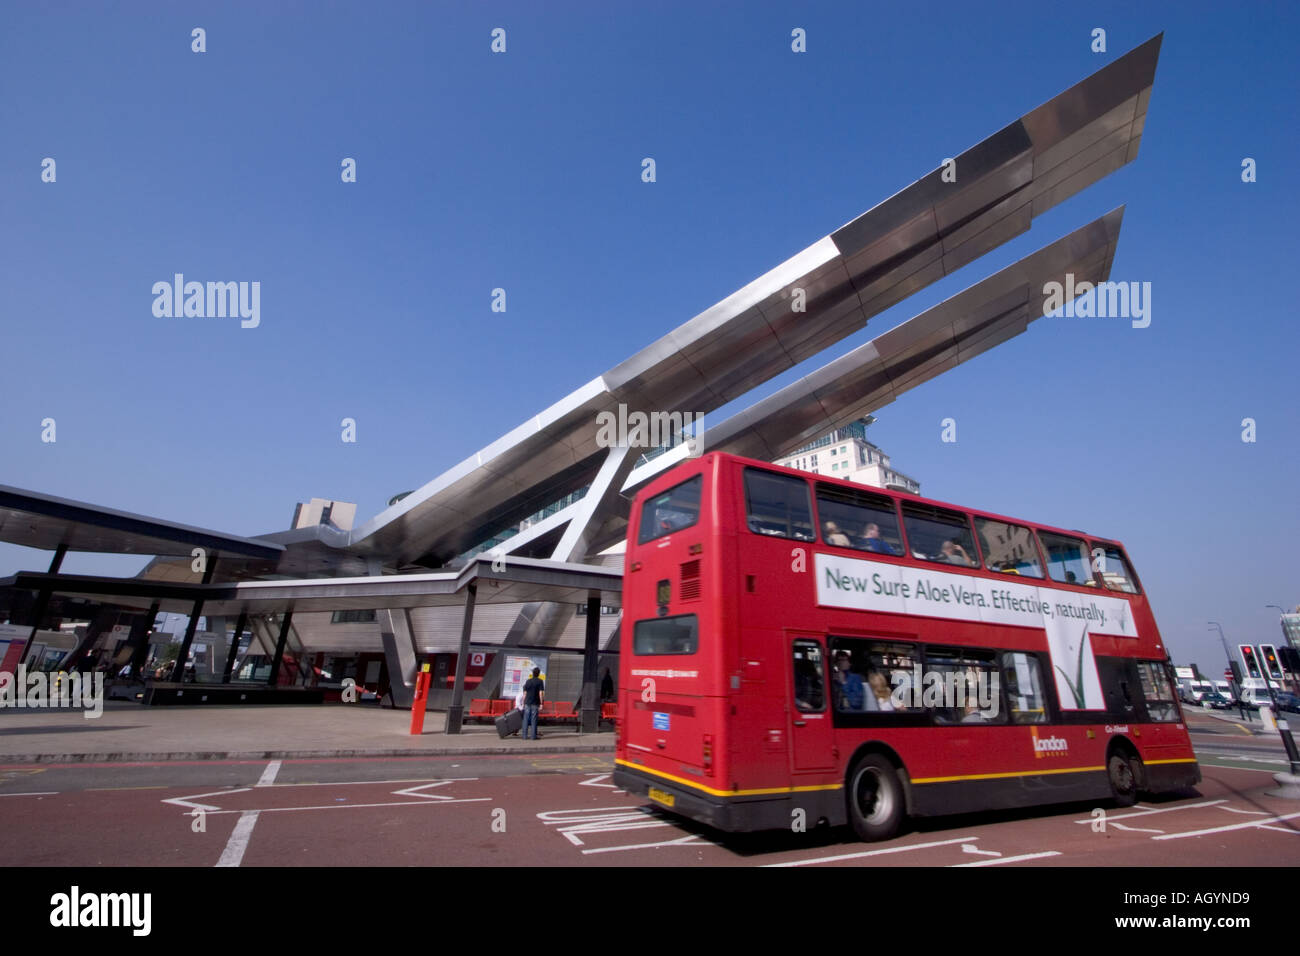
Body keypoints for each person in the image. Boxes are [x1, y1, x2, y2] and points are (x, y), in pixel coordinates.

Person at [521, 667, 545, 740]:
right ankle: (533, 736)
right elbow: (540, 693)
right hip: (535, 703)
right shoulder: (540, 681)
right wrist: (541, 703)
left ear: (533, 673)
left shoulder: (528, 681)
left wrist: (523, 703)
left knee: (525, 719)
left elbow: (524, 693)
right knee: (534, 719)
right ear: (538, 674)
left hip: (527, 703)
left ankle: (524, 736)